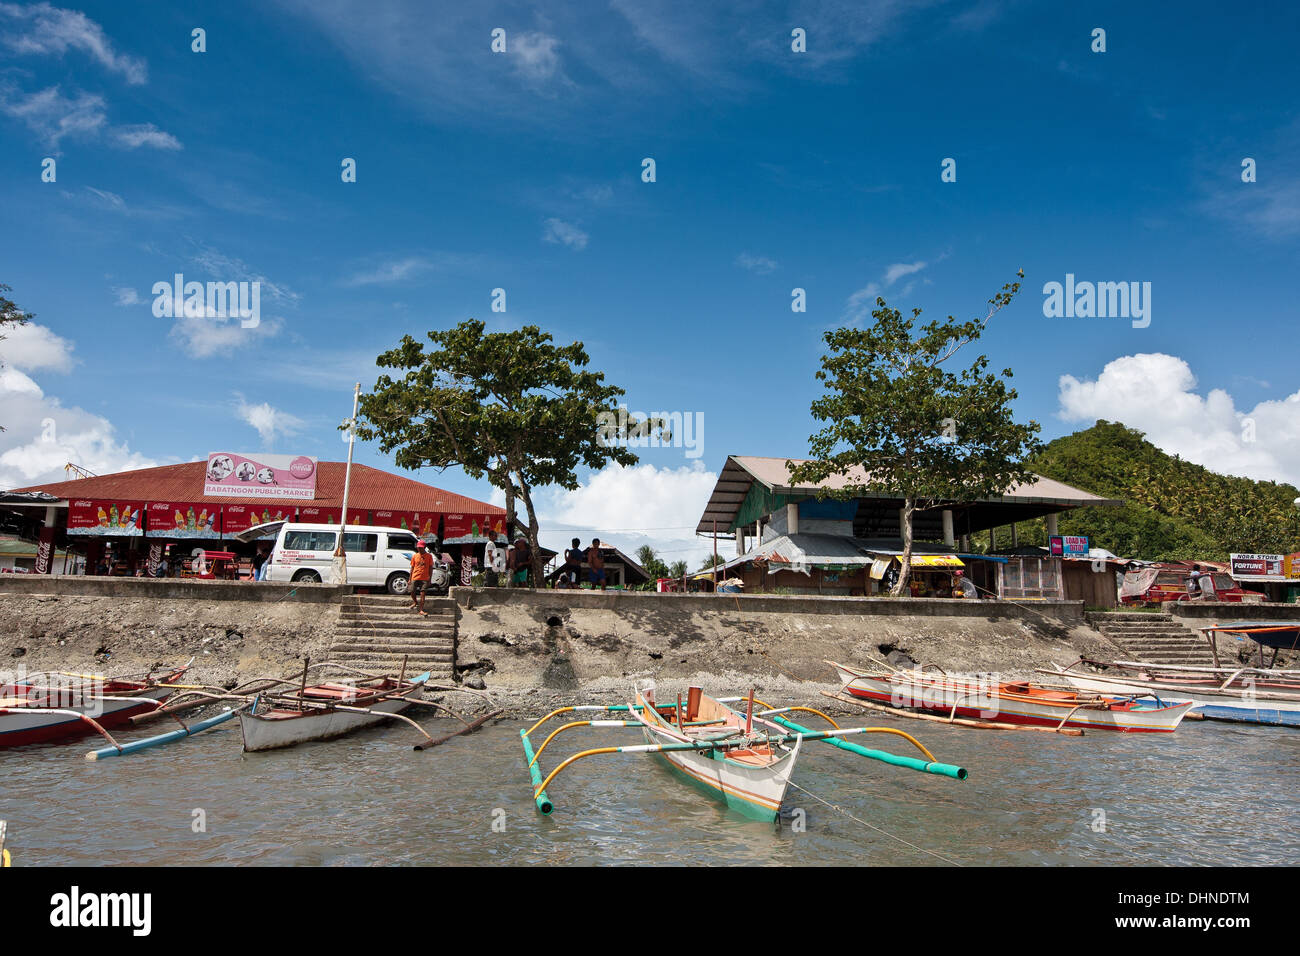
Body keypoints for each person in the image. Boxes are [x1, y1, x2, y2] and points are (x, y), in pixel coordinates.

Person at [409, 540, 433, 615]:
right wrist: (409, 579)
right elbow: (412, 568)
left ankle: (421, 610)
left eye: (421, 548)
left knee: (423, 593)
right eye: (418, 547)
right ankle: (415, 602)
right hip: (415, 577)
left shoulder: (429, 556)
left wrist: (430, 578)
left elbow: (430, 568)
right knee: (412, 591)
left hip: (425, 578)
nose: (419, 549)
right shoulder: (415, 556)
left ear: (425, 547)